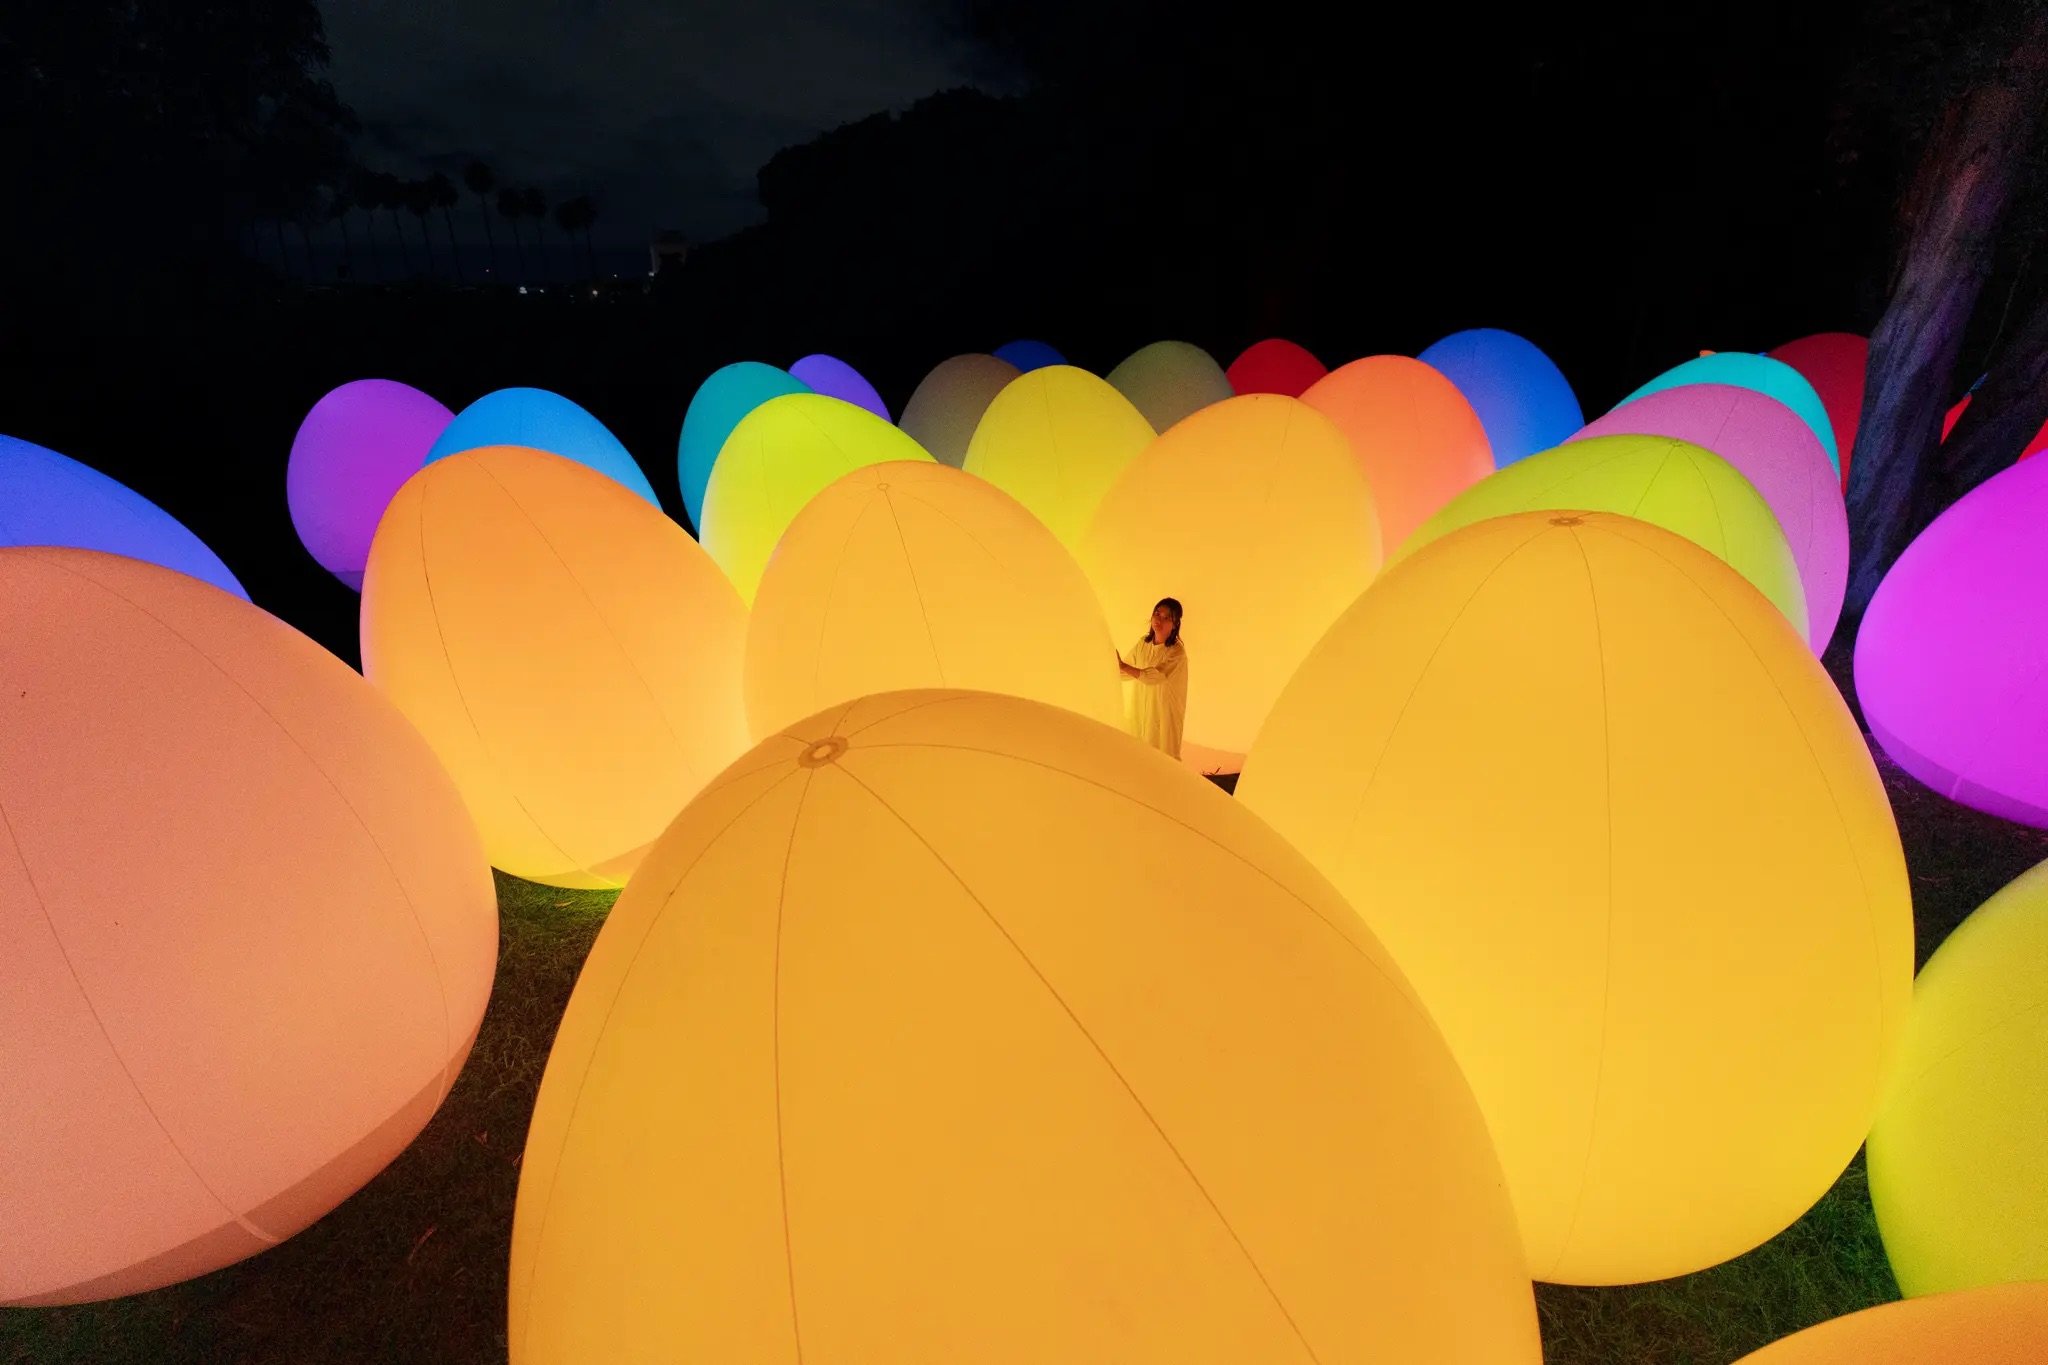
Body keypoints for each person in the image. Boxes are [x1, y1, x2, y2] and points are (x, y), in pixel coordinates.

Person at [1116, 597, 1188, 759]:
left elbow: (1154, 677)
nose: (1159, 619)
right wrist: (1108, 662)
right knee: (1139, 752)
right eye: (1157, 613)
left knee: (1163, 754)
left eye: (1166, 617)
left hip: (1163, 713)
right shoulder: (1144, 644)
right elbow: (1125, 672)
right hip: (1141, 708)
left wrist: (1123, 666)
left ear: (1175, 624)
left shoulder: (1176, 653)